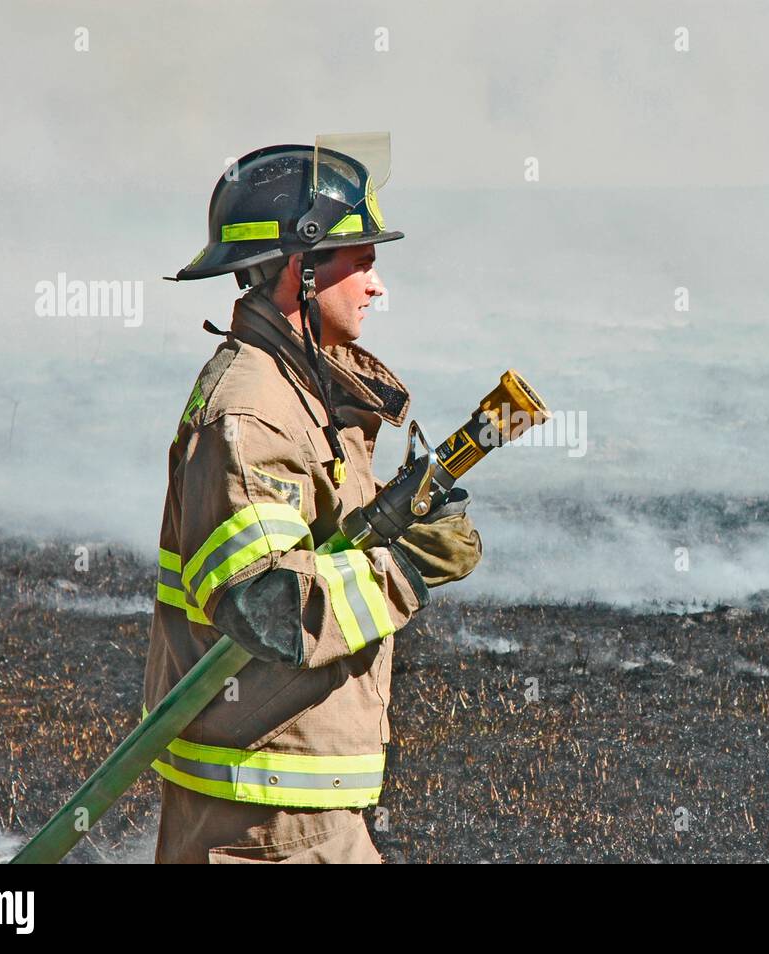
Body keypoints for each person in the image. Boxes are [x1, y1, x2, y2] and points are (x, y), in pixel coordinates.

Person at [143, 134, 482, 863]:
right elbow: (265, 608)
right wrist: (408, 570)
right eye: (361, 260)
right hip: (263, 826)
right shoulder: (253, 410)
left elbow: (319, 542)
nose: (376, 284)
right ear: (300, 268)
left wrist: (401, 521)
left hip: (299, 806)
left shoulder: (304, 391)